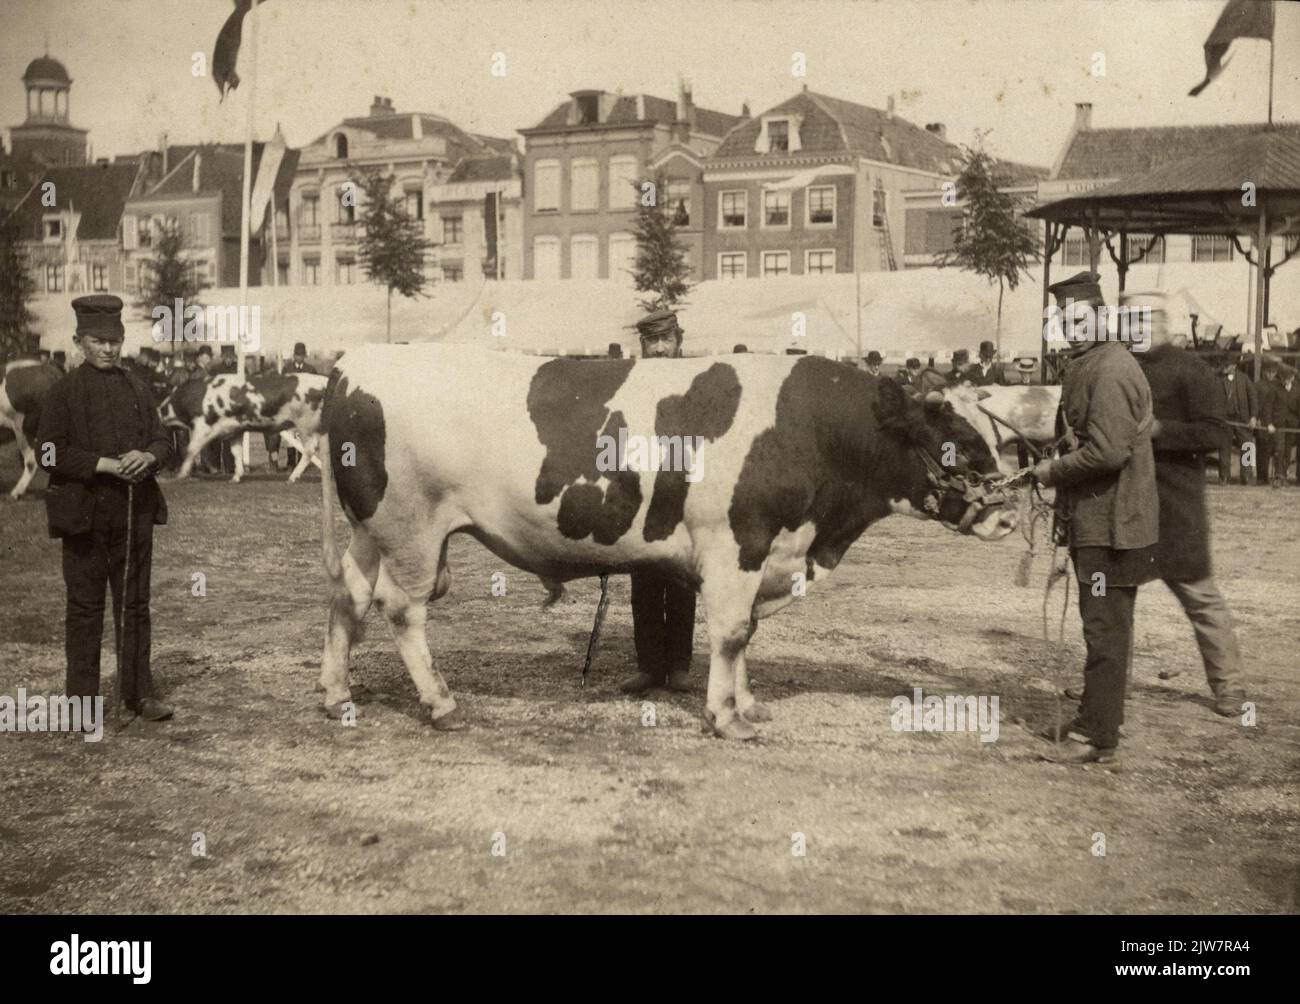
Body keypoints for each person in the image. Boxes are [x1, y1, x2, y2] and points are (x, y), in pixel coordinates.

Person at [1032, 271, 1159, 767]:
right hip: (1101, 522)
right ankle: (1092, 720)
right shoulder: (1092, 362)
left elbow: (1106, 453)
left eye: (1081, 317)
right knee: (1100, 625)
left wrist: (1052, 471)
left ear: (1103, 315)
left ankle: (1099, 738)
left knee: (1104, 629)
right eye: (1065, 319)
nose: (1073, 326)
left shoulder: (1109, 370)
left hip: (1113, 527)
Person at [35, 295, 174, 723]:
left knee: (135, 605)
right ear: (79, 341)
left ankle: (138, 693)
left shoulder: (137, 386)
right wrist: (105, 464)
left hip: (134, 513)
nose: (110, 349)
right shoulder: (63, 392)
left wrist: (149, 457)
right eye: (99, 341)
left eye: (116, 340)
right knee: (84, 609)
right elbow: (49, 453)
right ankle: (81, 702)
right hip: (83, 516)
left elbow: (162, 439)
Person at [1128, 290, 1248, 718]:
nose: (1136, 330)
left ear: (1162, 323)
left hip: (1178, 508)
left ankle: (1230, 688)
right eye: (1129, 321)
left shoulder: (1191, 370)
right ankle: (1106, 683)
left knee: (1200, 597)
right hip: (1129, 509)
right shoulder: (1120, 368)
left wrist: (1160, 431)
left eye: (1143, 321)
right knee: (1114, 596)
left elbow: (1217, 434)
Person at [621, 309, 697, 695]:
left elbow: (709, 438)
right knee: (645, 586)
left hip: (684, 497)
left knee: (683, 585)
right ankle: (649, 667)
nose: (661, 348)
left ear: (678, 342)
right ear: (644, 346)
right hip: (640, 501)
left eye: (667, 340)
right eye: (653, 341)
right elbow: (611, 434)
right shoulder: (629, 383)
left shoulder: (695, 383)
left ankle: (680, 666)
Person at [1216, 359, 1257, 484]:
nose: (1223, 368)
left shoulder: (1244, 379)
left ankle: (1247, 476)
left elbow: (1253, 398)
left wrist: (1253, 417)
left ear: (1233, 366)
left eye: (1226, 365)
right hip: (1225, 420)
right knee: (1224, 448)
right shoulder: (1217, 379)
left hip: (1242, 419)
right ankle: (1224, 476)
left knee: (1247, 446)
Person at [282, 343, 316, 470]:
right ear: (294, 355)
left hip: (305, 408)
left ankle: (304, 463)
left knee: (304, 436)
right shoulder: (287, 369)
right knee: (291, 436)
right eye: (297, 355)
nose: (299, 358)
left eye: (301, 355)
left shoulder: (311, 370)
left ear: (304, 356)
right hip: (291, 408)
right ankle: (291, 462)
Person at [1255, 359, 1286, 488]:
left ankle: (1278, 476)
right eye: (1269, 372)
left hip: (1276, 423)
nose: (1271, 375)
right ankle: (1262, 477)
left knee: (1279, 450)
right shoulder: (1258, 385)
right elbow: (1255, 403)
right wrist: (1255, 417)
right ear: (1264, 372)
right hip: (1262, 423)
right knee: (1263, 451)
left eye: (1273, 373)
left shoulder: (1279, 385)